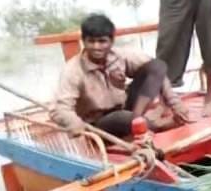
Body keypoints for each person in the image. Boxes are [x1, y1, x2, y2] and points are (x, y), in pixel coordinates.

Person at [51, 14, 191, 140]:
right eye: (91, 41)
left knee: (157, 66)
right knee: (122, 117)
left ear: (111, 41)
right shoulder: (73, 70)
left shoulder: (119, 56)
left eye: (102, 41)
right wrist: (73, 122)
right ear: (83, 41)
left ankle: (137, 122)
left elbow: (157, 69)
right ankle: (155, 125)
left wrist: (175, 104)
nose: (96, 47)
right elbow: (59, 109)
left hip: (125, 109)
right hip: (98, 122)